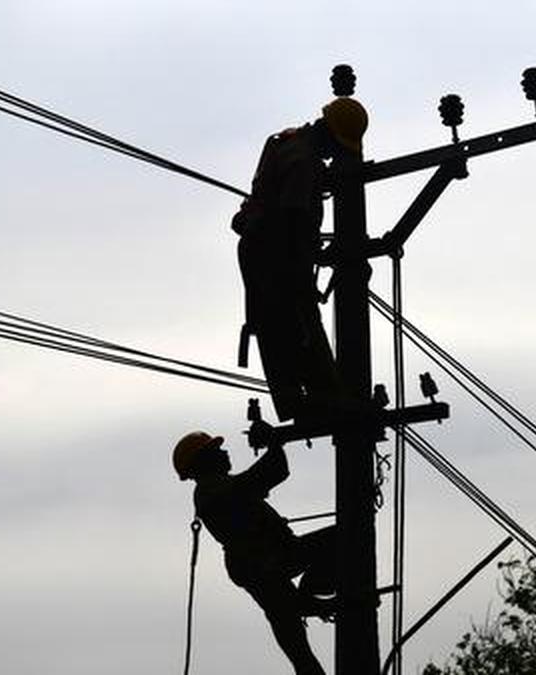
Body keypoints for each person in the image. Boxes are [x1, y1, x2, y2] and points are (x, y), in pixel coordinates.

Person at [233, 97, 369, 423]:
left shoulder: (288, 142)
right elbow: (293, 218)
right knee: (300, 322)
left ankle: (296, 402)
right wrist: (301, 271)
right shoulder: (305, 161)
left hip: (260, 249)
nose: (335, 156)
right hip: (277, 252)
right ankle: (327, 399)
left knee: (273, 325)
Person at [173, 430, 335, 675]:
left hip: (265, 564)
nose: (225, 452)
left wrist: (274, 444)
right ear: (203, 462)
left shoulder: (217, 489)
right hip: (265, 563)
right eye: (217, 451)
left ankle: (306, 599)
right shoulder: (213, 492)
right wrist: (274, 443)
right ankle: (309, 594)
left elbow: (267, 475)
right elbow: (269, 473)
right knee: (344, 535)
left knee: (294, 640)